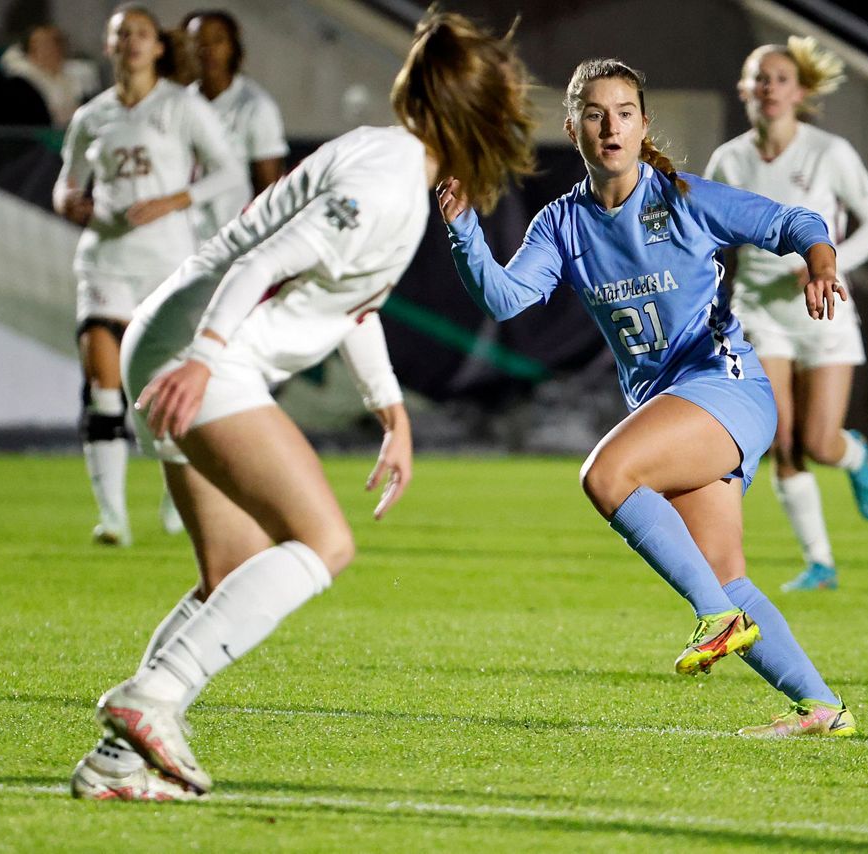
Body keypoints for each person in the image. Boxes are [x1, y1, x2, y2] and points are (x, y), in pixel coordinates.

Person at [69, 8, 536, 800]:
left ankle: (119, 760)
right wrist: (204, 359)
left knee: (234, 571)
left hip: (182, 336)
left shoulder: (386, 159)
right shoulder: (387, 180)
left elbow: (348, 304)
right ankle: (153, 697)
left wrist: (391, 411)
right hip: (204, 346)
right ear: (475, 116)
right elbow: (264, 263)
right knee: (324, 540)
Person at [440, 58, 856, 740]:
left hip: (725, 386)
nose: (611, 126)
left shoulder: (682, 198)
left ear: (642, 125)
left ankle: (716, 621)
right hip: (675, 408)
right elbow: (507, 299)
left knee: (606, 474)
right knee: (724, 575)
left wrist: (821, 262)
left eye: (624, 113)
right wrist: (464, 230)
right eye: (595, 115)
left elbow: (793, 220)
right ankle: (822, 707)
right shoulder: (562, 223)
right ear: (572, 129)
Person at [703, 37, 868, 592]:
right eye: (759, 77)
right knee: (782, 439)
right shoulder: (729, 159)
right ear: (744, 89)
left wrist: (828, 265)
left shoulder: (829, 153)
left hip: (825, 309)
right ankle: (820, 563)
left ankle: (853, 456)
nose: (769, 87)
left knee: (819, 441)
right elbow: (708, 236)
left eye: (780, 78)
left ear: (800, 92)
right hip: (759, 310)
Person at [52, 4, 245, 547]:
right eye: (122, 35)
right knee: (103, 390)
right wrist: (69, 202)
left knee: (167, 392)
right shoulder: (92, 116)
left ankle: (176, 496)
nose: (131, 42)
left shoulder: (181, 106)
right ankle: (112, 518)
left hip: (167, 264)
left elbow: (229, 170)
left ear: (158, 47)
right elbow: (68, 182)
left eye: (141, 34)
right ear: (109, 46)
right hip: (105, 261)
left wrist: (173, 201)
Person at [181, 9, 289, 241]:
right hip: (180, 240)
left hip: (231, 241)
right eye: (197, 41)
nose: (207, 49)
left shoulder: (255, 106)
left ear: (232, 46)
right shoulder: (178, 103)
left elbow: (269, 188)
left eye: (217, 40)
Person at [0, 24, 84, 127]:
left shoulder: (72, 75)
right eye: (41, 45)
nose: (49, 50)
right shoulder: (23, 79)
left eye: (54, 44)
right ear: (30, 51)